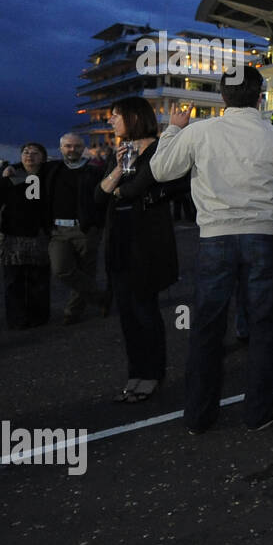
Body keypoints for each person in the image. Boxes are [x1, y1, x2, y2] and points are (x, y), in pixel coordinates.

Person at [148, 67, 273, 434]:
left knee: (206, 327)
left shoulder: (199, 132)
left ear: (222, 98)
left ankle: (199, 414)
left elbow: (160, 170)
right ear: (260, 96)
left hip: (215, 238)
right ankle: (259, 410)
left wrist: (173, 127)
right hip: (261, 237)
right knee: (262, 326)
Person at [94, 100, 179, 403]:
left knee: (145, 310)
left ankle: (153, 374)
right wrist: (118, 170)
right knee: (126, 313)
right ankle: (135, 372)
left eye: (116, 116)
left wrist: (124, 191)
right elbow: (98, 197)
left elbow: (167, 187)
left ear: (133, 117)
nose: (112, 121)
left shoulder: (159, 148)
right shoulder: (121, 152)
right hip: (119, 241)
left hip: (148, 243)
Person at [0, 142, 51, 329]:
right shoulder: (11, 178)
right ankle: (17, 319)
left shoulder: (49, 176)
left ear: (43, 157)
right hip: (12, 237)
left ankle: (39, 317)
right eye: (26, 153)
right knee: (14, 281)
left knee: (39, 280)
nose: (29, 156)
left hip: (40, 237)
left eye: (35, 153)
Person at [44, 133, 107, 325]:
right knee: (61, 269)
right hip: (58, 231)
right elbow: (27, 171)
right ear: (61, 148)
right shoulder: (51, 170)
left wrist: (98, 225)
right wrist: (10, 172)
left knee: (86, 271)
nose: (72, 150)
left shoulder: (94, 172)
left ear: (83, 148)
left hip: (86, 229)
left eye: (77, 146)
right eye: (68, 146)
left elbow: (103, 199)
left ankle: (73, 312)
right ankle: (101, 298)